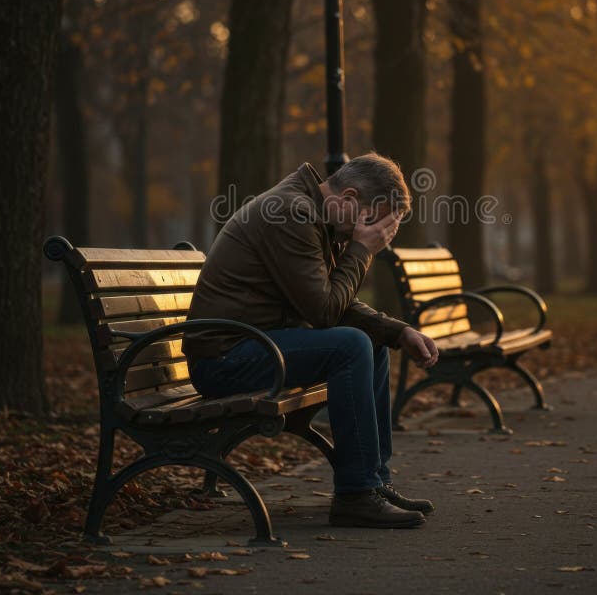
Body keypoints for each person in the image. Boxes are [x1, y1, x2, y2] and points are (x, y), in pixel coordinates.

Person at [184, 153, 439, 528]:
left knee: (374, 342)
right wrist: (363, 250)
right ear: (349, 196)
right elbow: (323, 311)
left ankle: (373, 482)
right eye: (370, 221)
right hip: (224, 359)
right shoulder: (291, 212)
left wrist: (398, 331)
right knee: (351, 345)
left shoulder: (317, 213)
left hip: (255, 344)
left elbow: (333, 301)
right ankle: (355, 494)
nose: (364, 233)